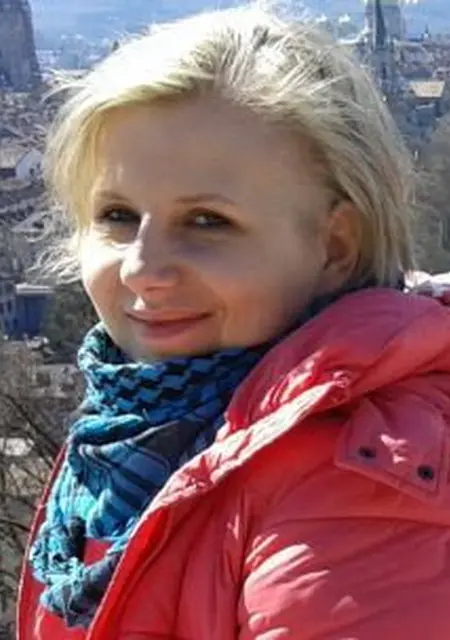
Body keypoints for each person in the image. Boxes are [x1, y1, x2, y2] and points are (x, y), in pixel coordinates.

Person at [17, 3, 450, 639]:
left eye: (207, 221)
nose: (141, 269)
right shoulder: (143, 420)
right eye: (116, 215)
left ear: (335, 246)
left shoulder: (361, 488)